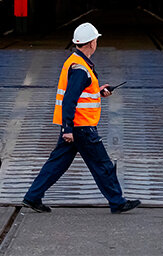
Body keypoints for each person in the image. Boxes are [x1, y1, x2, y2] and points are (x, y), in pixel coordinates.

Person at [22, 23, 141, 214]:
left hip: (76, 126)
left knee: (56, 164)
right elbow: (69, 100)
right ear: (91, 43)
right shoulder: (80, 68)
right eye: (96, 40)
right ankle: (118, 202)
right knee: (102, 165)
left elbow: (80, 94)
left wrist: (99, 92)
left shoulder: (76, 62)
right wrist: (67, 128)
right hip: (82, 127)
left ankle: (32, 197)